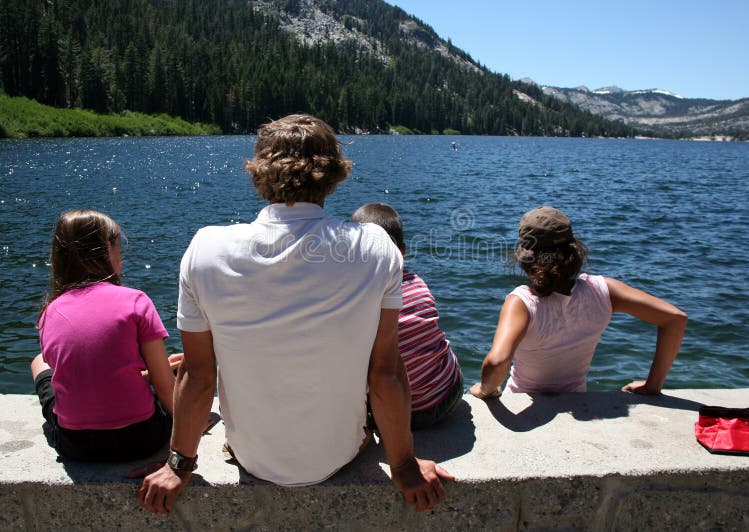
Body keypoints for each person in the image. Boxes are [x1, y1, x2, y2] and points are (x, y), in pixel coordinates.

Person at [138, 114, 453, 515]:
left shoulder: (206, 249)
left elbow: (199, 377)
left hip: (251, 456)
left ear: (259, 174)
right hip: (341, 453)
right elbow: (385, 372)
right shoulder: (376, 247)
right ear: (334, 175)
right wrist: (404, 464)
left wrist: (178, 464)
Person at [469, 206, 687, 399]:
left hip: (522, 400)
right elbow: (675, 319)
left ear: (527, 258)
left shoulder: (522, 302)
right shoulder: (603, 290)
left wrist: (485, 390)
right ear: (573, 251)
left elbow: (497, 362)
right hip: (577, 399)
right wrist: (652, 386)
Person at [31, 209, 179, 461]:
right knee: (174, 367)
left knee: (38, 362)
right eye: (118, 245)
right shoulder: (136, 301)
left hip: (76, 445)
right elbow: (166, 389)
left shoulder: (49, 312)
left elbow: (76, 374)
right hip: (142, 438)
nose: (122, 254)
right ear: (106, 252)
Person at [352, 203, 463, 429]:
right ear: (402, 251)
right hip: (448, 397)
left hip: (399, 415)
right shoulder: (417, 282)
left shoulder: (356, 300)